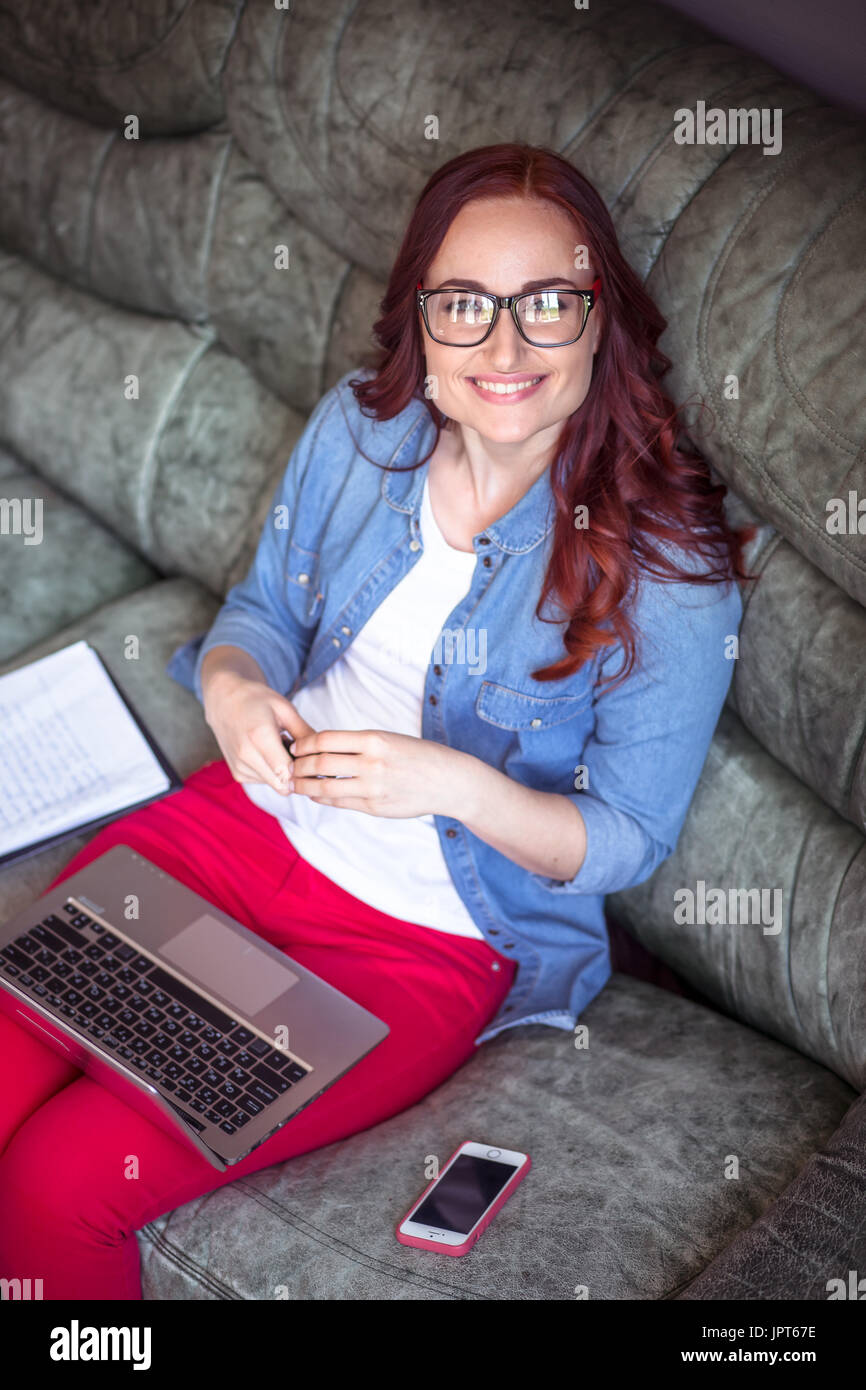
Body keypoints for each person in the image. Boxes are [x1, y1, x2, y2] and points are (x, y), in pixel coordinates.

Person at [0, 143, 752, 1300]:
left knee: (58, 1183)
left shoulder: (672, 572)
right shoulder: (362, 429)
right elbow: (256, 616)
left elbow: (626, 840)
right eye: (464, 307)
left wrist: (449, 783)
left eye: (546, 305)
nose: (502, 349)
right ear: (419, 318)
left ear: (602, 320)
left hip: (413, 942)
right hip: (238, 832)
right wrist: (235, 689)